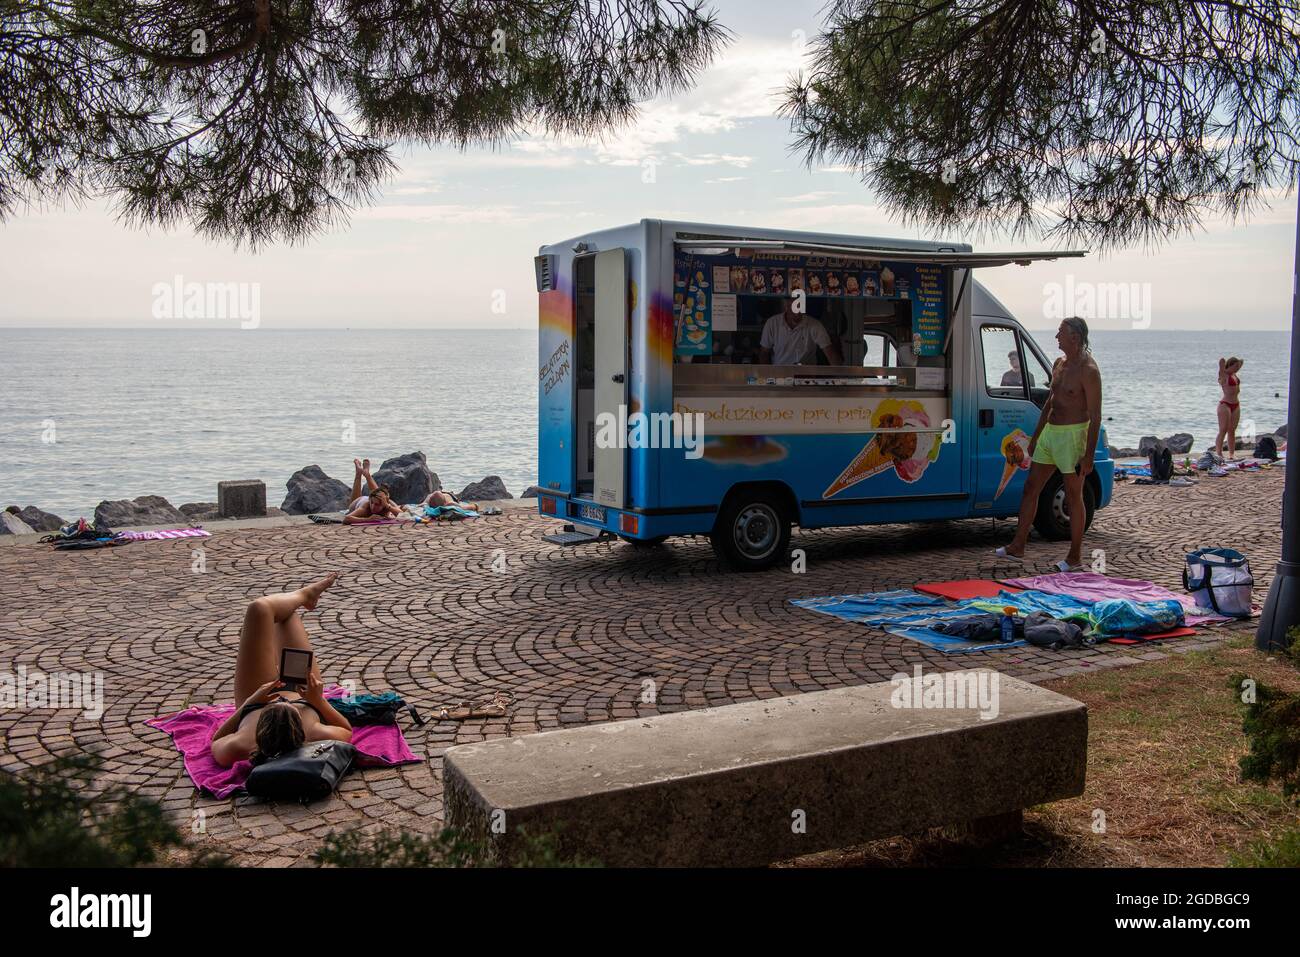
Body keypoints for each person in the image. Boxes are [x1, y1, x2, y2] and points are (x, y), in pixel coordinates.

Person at [210, 574, 353, 768]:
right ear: (300, 731)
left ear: (260, 731)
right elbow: (346, 730)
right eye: (288, 705)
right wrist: (318, 701)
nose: (281, 699)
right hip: (304, 693)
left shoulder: (240, 745)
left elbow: (216, 741)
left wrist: (250, 703)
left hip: (257, 694)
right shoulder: (317, 734)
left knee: (259, 609)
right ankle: (304, 597)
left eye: (278, 703)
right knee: (287, 616)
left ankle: (304, 596)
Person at [995, 317, 1102, 571]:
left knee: (1074, 495)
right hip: (1050, 435)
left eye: (1060, 333)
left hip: (1073, 436)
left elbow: (1096, 415)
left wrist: (1088, 455)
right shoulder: (1059, 364)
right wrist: (1036, 435)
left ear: (1074, 338)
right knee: (1031, 486)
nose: (1056, 337)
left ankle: (1074, 557)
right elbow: (1050, 402)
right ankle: (1018, 546)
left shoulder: (1089, 370)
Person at [758, 298, 843, 365]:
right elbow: (764, 353)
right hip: (780, 376)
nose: (797, 314)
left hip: (807, 377)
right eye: (794, 309)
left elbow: (830, 353)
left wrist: (841, 375)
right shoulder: (772, 323)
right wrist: (767, 377)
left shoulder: (815, 325)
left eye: (800, 309)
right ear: (786, 307)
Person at [344, 458, 401, 523]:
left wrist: (388, 507)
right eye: (372, 503)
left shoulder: (387, 504)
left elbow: (403, 515)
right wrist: (368, 519)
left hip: (375, 497)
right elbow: (346, 519)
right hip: (359, 501)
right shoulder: (366, 507)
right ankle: (359, 474)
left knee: (379, 493)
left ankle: (366, 474)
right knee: (376, 495)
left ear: (384, 504)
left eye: (377, 504)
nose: (373, 507)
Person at [1216, 356, 1245, 460]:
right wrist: (1225, 368)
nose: (1238, 368)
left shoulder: (1234, 374)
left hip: (1236, 404)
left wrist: (1237, 364)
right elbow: (1222, 361)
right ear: (1230, 365)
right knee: (1223, 429)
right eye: (1235, 366)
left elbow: (1242, 361)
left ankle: (1232, 454)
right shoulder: (1224, 375)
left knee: (1232, 430)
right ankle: (1219, 453)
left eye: (1238, 367)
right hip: (1225, 405)